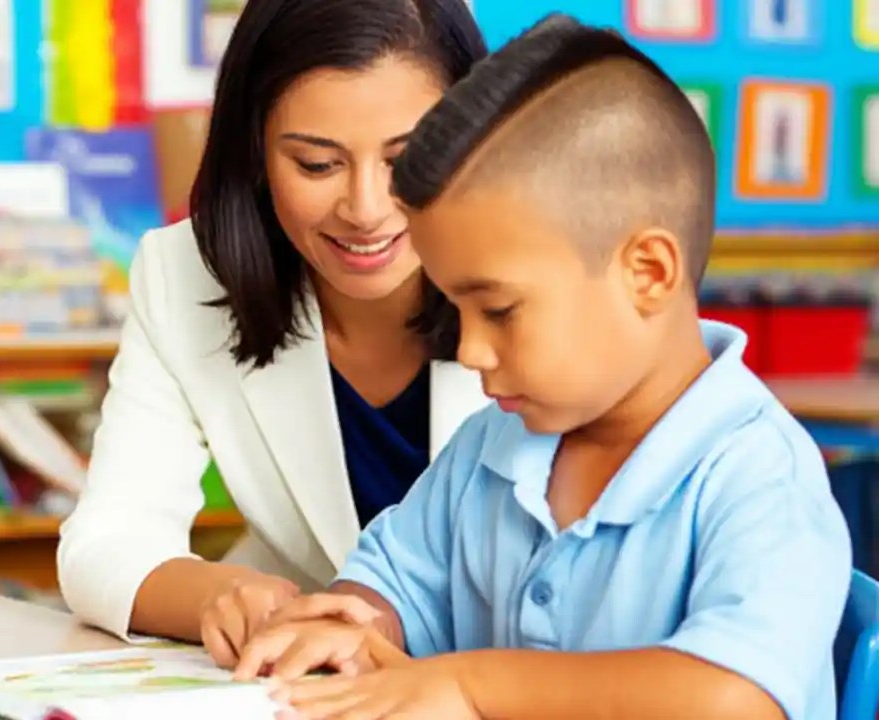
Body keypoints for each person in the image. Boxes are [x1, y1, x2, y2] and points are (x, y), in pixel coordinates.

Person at [233, 14, 853, 720]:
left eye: (498, 310)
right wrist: (346, 628)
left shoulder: (758, 476)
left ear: (646, 272)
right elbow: (392, 586)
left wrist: (469, 685)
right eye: (455, 308)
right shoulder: (493, 448)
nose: (468, 351)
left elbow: (734, 698)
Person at [56, 0, 490, 666]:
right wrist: (222, 595)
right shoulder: (186, 276)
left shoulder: (551, 273)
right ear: (255, 150)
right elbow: (105, 542)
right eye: (318, 165)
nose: (367, 210)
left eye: (411, 158)